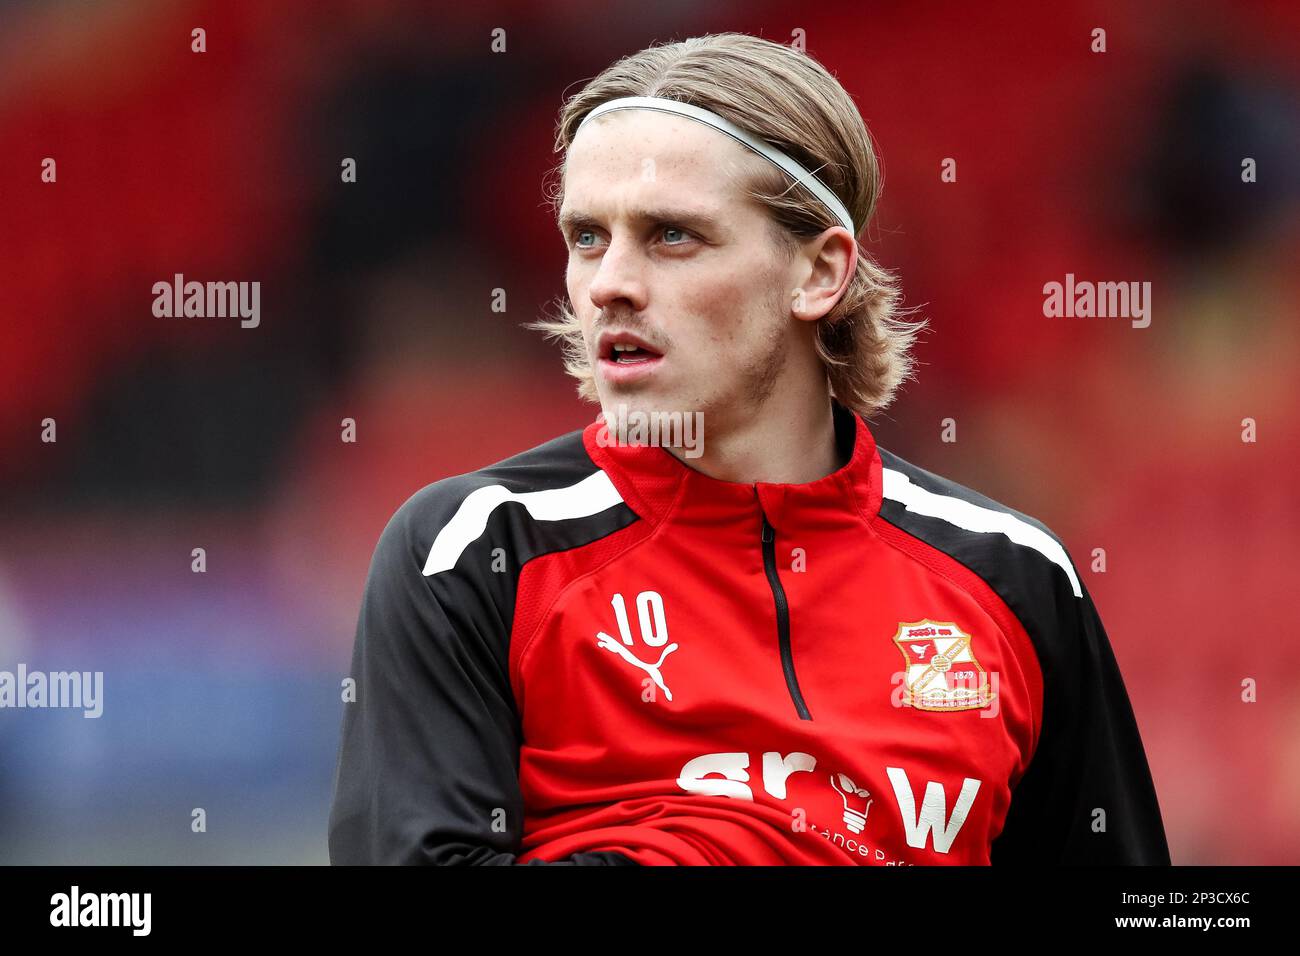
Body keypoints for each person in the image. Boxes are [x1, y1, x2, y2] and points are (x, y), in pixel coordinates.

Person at [327, 32, 1170, 866]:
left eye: (672, 237)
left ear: (818, 274)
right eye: (587, 237)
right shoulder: (478, 551)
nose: (610, 282)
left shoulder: (1014, 577)